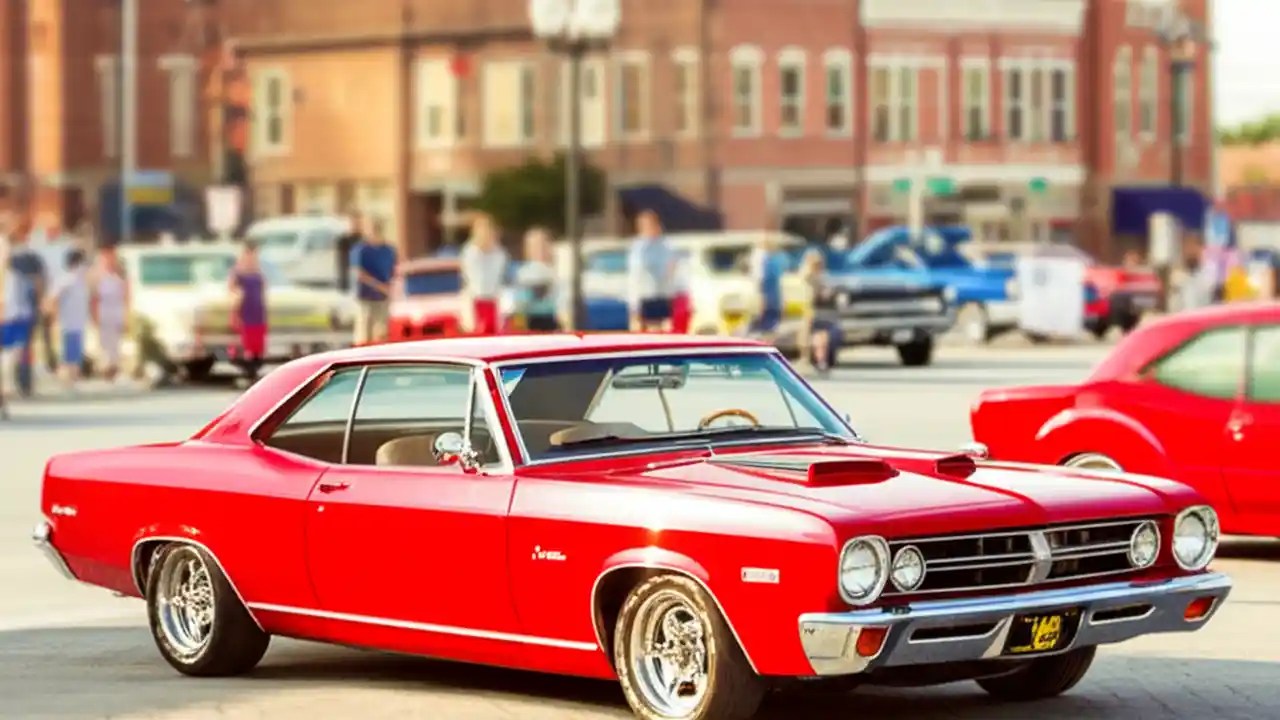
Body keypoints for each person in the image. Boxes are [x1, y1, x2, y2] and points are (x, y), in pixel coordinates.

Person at [7, 219, 46, 397]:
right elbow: (40, 283)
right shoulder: (31, 258)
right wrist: (39, 302)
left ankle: (20, 381)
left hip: (13, 310)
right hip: (26, 310)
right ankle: (24, 383)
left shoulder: (13, 257)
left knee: (16, 349)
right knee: (24, 348)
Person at [43, 249, 91, 391]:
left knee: (75, 354)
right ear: (76, 264)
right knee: (68, 354)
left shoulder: (81, 280)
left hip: (79, 323)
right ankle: (66, 382)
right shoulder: (65, 279)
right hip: (67, 323)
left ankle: (72, 381)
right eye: (82, 263)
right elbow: (52, 298)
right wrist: (51, 315)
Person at [627, 210, 677, 332]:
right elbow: (635, 275)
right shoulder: (638, 246)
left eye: (649, 225)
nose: (646, 229)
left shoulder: (664, 246)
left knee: (656, 330)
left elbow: (669, 268)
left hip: (657, 295)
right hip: (641, 296)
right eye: (642, 225)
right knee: (637, 331)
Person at [350, 219, 398, 345]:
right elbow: (360, 273)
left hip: (383, 298)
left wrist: (390, 287)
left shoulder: (389, 250)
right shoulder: (361, 250)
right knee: (364, 333)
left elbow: (393, 270)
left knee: (381, 333)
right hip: (366, 297)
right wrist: (379, 286)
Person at [460, 214, 508, 335]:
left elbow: (499, 277)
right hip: (476, 300)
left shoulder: (499, 254)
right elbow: (470, 276)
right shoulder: (470, 252)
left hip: (494, 300)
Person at [229, 241, 268, 384]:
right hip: (244, 309)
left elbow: (263, 289)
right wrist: (235, 310)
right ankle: (248, 370)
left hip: (257, 310)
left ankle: (254, 369)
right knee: (246, 342)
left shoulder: (258, 271)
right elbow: (232, 289)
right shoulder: (238, 272)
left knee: (257, 342)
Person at [91, 246, 130, 382]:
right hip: (104, 311)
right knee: (104, 342)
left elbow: (127, 297)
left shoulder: (121, 276)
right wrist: (94, 315)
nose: (109, 261)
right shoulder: (99, 277)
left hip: (117, 311)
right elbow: (94, 297)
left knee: (116, 342)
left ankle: (114, 369)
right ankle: (105, 369)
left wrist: (126, 316)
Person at [513, 227, 560, 332]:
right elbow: (520, 300)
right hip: (531, 317)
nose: (540, 250)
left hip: (550, 316)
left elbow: (559, 297)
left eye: (543, 246)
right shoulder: (524, 272)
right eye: (535, 246)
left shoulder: (553, 270)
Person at [798, 248, 835, 373]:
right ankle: (815, 361)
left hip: (817, 310)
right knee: (816, 337)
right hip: (815, 309)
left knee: (817, 338)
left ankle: (814, 361)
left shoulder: (814, 276)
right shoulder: (814, 276)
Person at [750, 235, 789, 341]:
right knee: (767, 327)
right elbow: (761, 280)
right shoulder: (764, 259)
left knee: (768, 327)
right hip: (769, 298)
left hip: (771, 298)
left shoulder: (769, 260)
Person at [335, 210, 364, 293]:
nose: (356, 224)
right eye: (353, 222)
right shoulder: (343, 241)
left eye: (358, 222)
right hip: (346, 283)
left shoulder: (365, 240)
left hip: (363, 285)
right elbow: (342, 264)